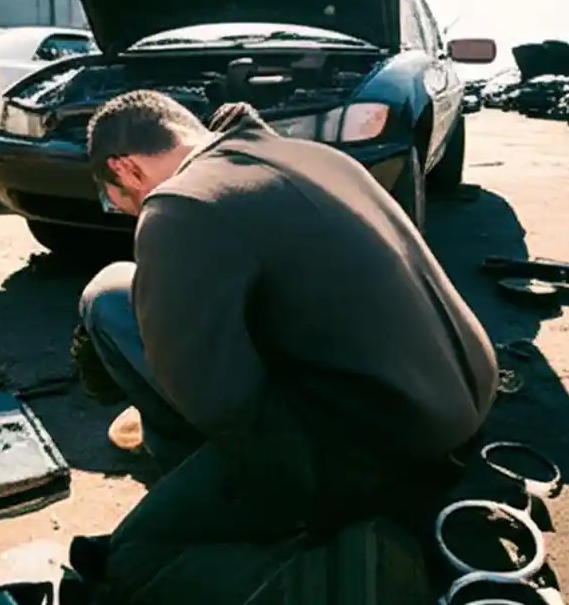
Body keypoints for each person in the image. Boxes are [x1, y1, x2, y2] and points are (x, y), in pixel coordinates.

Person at [73, 90, 499, 604]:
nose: (123, 211)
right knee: (117, 289)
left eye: (114, 198)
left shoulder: (178, 205)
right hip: (460, 402)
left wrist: (251, 487)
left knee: (130, 559)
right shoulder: (312, 156)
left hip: (384, 455)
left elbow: (217, 402)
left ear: (125, 168)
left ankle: (338, 558)